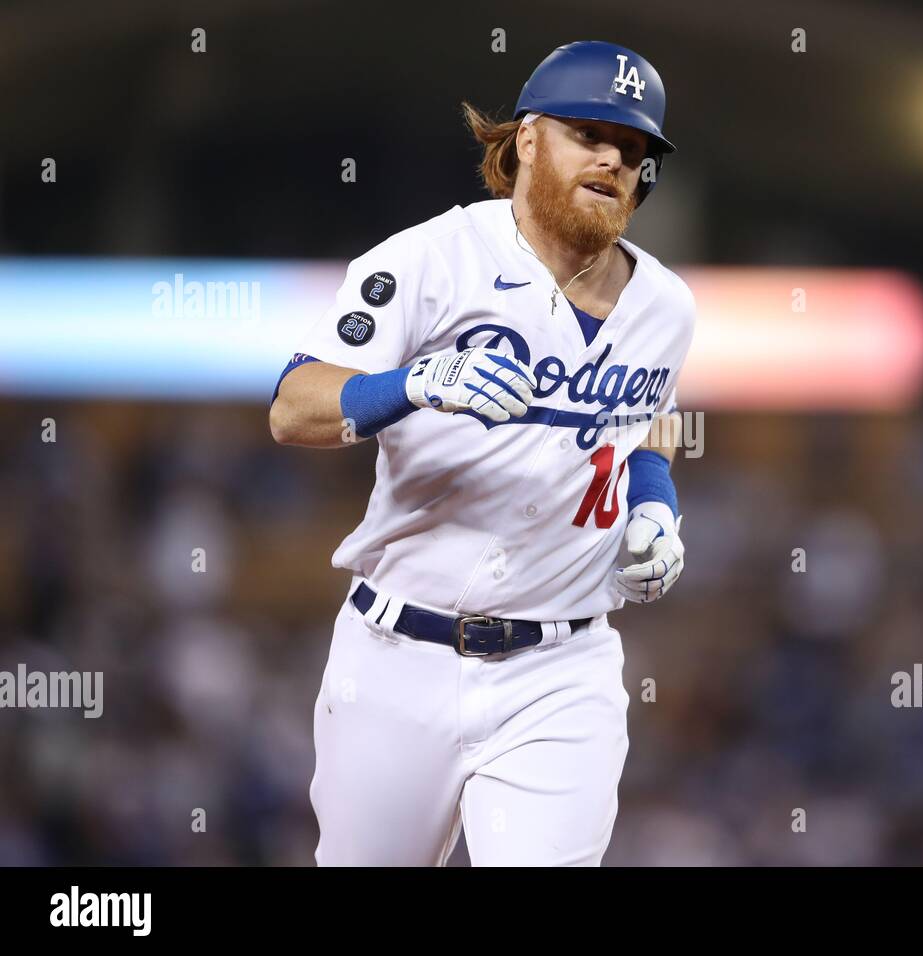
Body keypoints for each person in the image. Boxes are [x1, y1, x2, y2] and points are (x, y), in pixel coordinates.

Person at [268, 40, 694, 866]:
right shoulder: (430, 260)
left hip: (563, 669)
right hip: (395, 660)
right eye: (589, 132)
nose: (614, 157)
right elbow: (293, 407)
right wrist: (417, 381)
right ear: (528, 139)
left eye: (634, 149)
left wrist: (655, 508)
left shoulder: (667, 307)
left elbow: (651, 425)